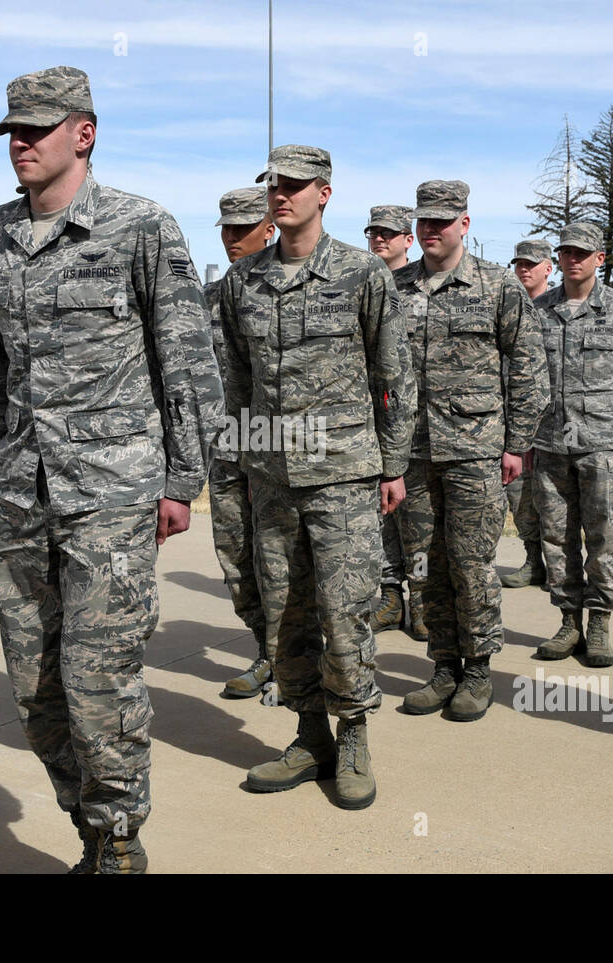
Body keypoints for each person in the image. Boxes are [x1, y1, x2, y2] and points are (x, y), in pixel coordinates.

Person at [0, 67, 224, 871]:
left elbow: (187, 363)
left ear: (82, 133)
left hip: (113, 495)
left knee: (99, 678)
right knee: (35, 686)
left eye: (35, 129)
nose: (19, 143)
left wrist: (182, 479)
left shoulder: (139, 227)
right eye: (11, 130)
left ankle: (119, 839)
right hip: (21, 494)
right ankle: (85, 826)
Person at [220, 144, 414, 810]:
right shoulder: (242, 283)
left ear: (324, 192)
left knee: (344, 608)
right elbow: (237, 379)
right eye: (273, 185)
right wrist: (247, 461)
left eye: (295, 186)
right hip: (272, 477)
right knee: (285, 611)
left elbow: (393, 377)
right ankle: (309, 734)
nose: (281, 195)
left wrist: (393, 464)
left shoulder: (362, 276)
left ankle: (353, 730)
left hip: (345, 475)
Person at [392, 182, 547, 720]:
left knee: (471, 561)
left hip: (477, 451)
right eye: (423, 221)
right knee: (425, 562)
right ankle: (443, 665)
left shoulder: (497, 286)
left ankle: (478, 668)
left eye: (443, 221)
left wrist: (516, 444)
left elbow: (529, 370)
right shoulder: (395, 288)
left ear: (465, 224)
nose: (431, 230)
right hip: (413, 451)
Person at [529, 222, 613, 667]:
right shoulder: (538, 309)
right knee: (557, 537)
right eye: (565, 252)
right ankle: (568, 621)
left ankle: (600, 621)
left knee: (603, 536)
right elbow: (523, 378)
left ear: (600, 259)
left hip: (602, 442)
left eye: (582, 252)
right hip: (549, 444)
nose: (573, 259)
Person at [205, 187, 277, 699]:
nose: (233, 237)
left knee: (280, 559)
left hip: (273, 453)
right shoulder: (209, 300)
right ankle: (265, 649)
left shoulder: (285, 295)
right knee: (236, 557)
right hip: (223, 449)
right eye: (227, 228)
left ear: (268, 229)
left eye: (244, 227)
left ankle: (292, 653)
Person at [365, 204, 421, 638]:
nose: (379, 239)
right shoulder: (362, 281)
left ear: (409, 238)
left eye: (389, 233)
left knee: (418, 520)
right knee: (380, 518)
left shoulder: (421, 286)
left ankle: (421, 598)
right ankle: (388, 596)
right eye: (373, 233)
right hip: (372, 421)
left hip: (420, 426)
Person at [500, 237, 554, 590]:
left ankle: (559, 566)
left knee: (555, 501)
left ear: (548, 268)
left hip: (554, 426)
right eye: (519, 263)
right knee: (519, 497)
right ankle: (533, 560)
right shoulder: (507, 307)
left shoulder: (557, 310)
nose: (523, 269)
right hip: (512, 421)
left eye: (530, 264)